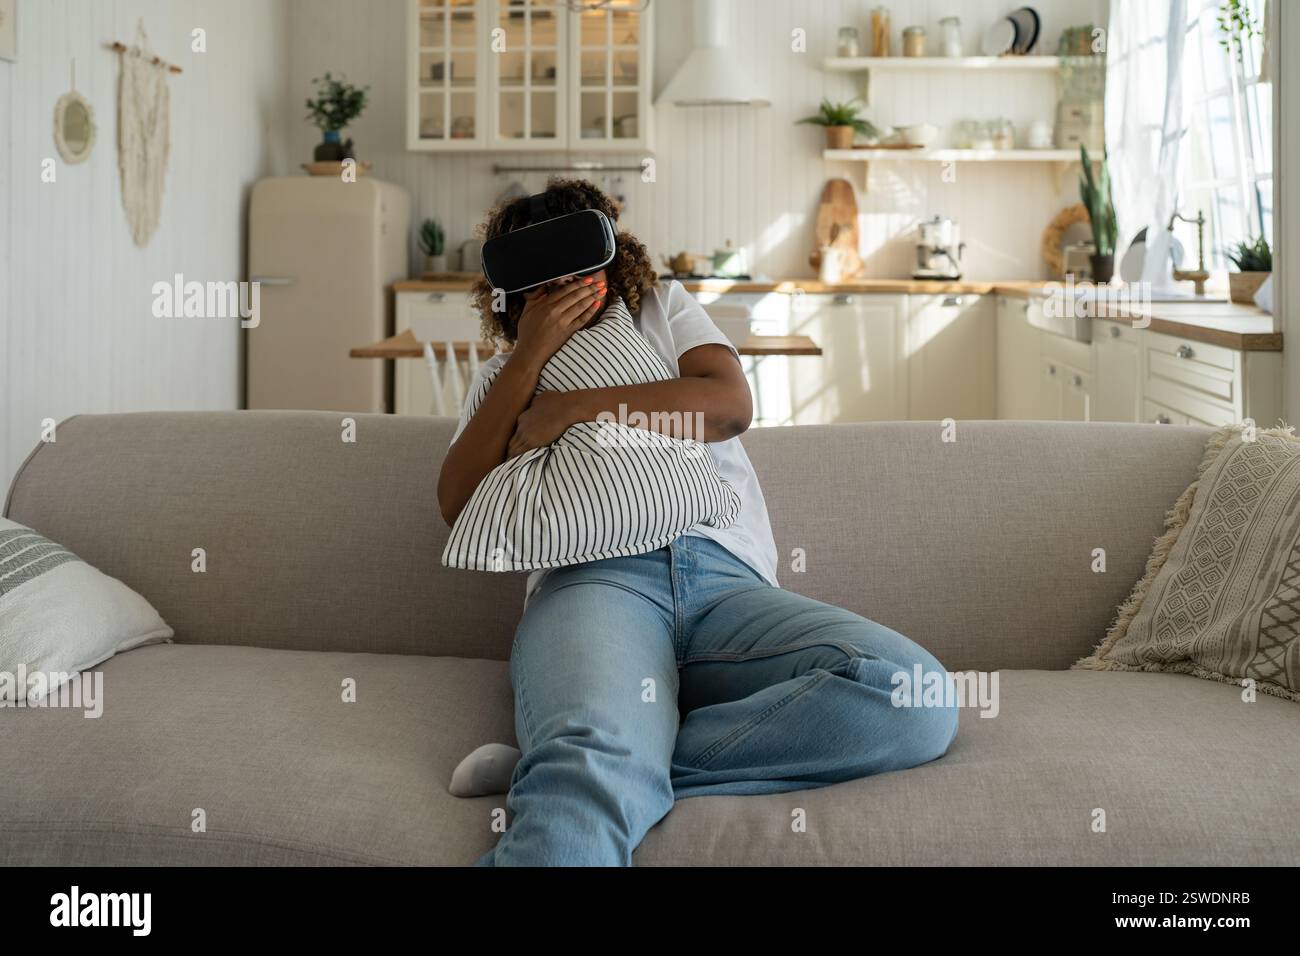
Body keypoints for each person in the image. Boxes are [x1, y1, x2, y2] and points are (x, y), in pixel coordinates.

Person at [438, 178, 959, 867]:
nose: (559, 284)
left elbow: (726, 407)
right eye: (536, 276)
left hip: (725, 583)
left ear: (609, 259)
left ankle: (588, 757)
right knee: (592, 768)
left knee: (912, 692)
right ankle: (588, 759)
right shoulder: (503, 378)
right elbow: (457, 502)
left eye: (575, 261)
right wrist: (531, 356)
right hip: (595, 587)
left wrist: (576, 408)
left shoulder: (662, 311)